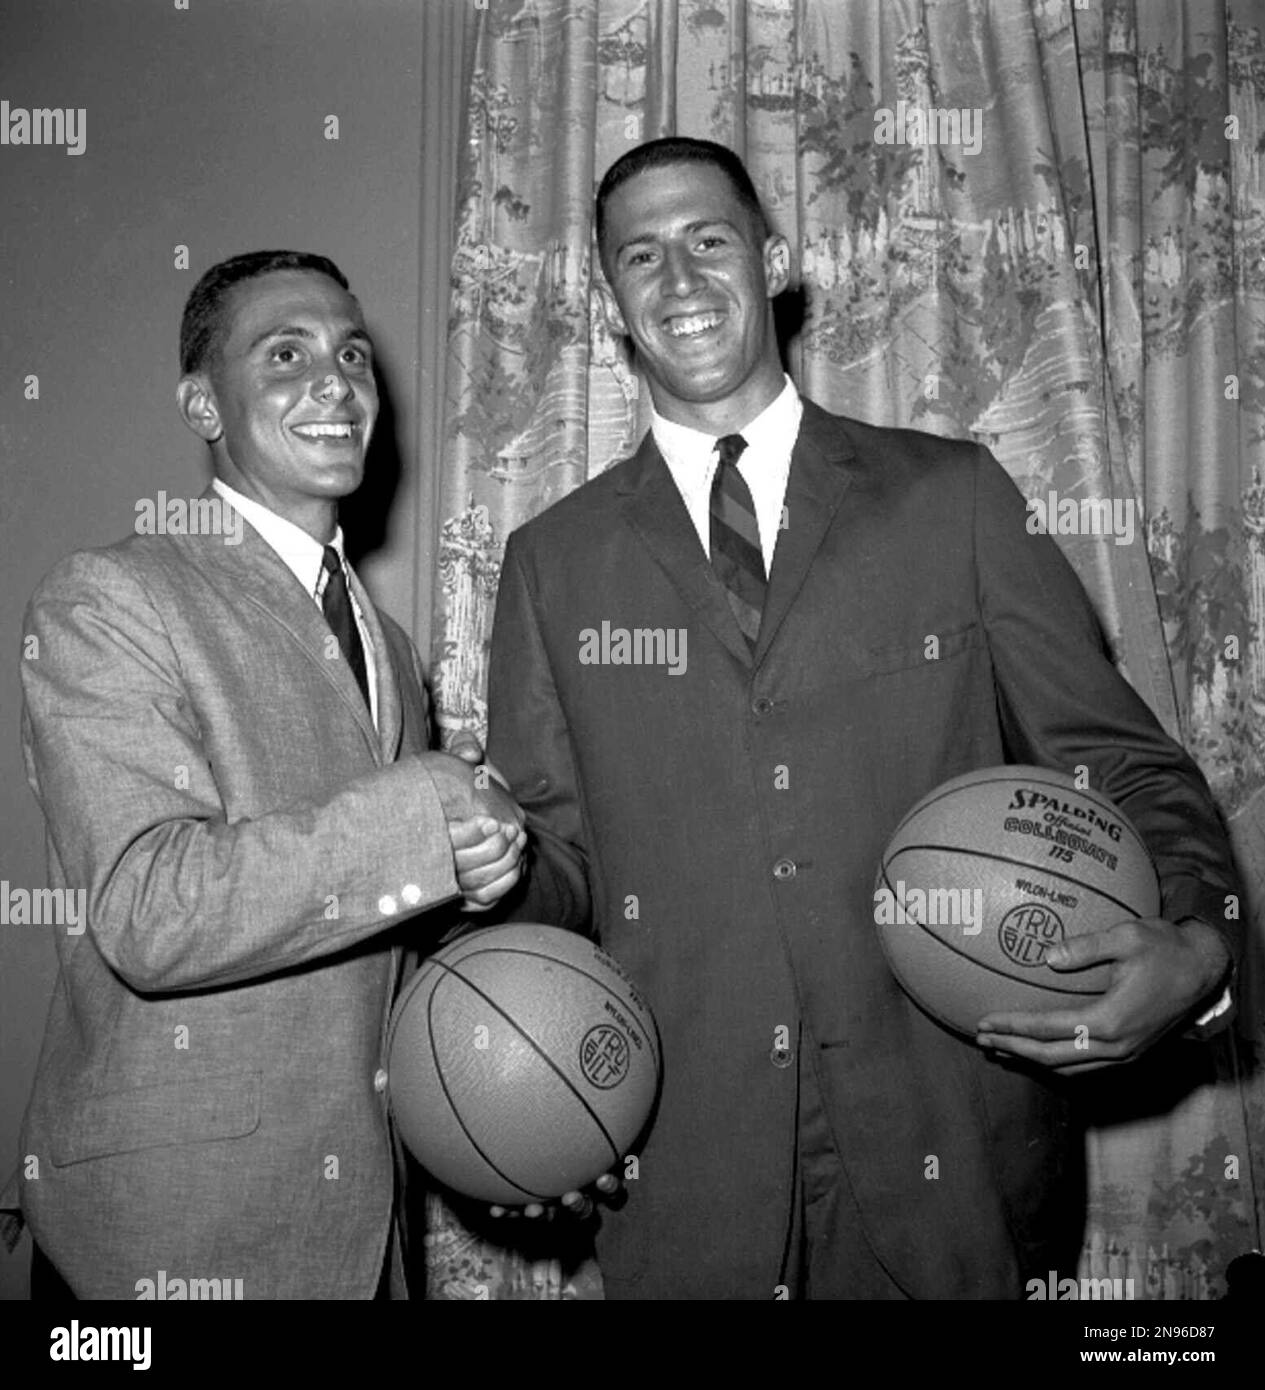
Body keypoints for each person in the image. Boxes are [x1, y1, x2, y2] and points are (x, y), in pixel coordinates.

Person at [484, 139, 1243, 1299]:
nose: (678, 281)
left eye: (708, 241)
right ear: (611, 305)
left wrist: (1195, 947)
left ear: (774, 262)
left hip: (959, 1177)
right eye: (640, 256)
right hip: (684, 1190)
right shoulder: (550, 563)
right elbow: (561, 871)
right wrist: (484, 888)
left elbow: (1121, 770)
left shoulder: (956, 497)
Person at [1, 250, 525, 1299]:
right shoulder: (111, 597)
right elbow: (150, 910)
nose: (335, 384)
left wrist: (472, 878)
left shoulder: (386, 645)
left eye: (352, 356)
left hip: (363, 1229)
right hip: (166, 1243)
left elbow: (363, 926)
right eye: (284, 354)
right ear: (202, 403)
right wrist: (424, 809)